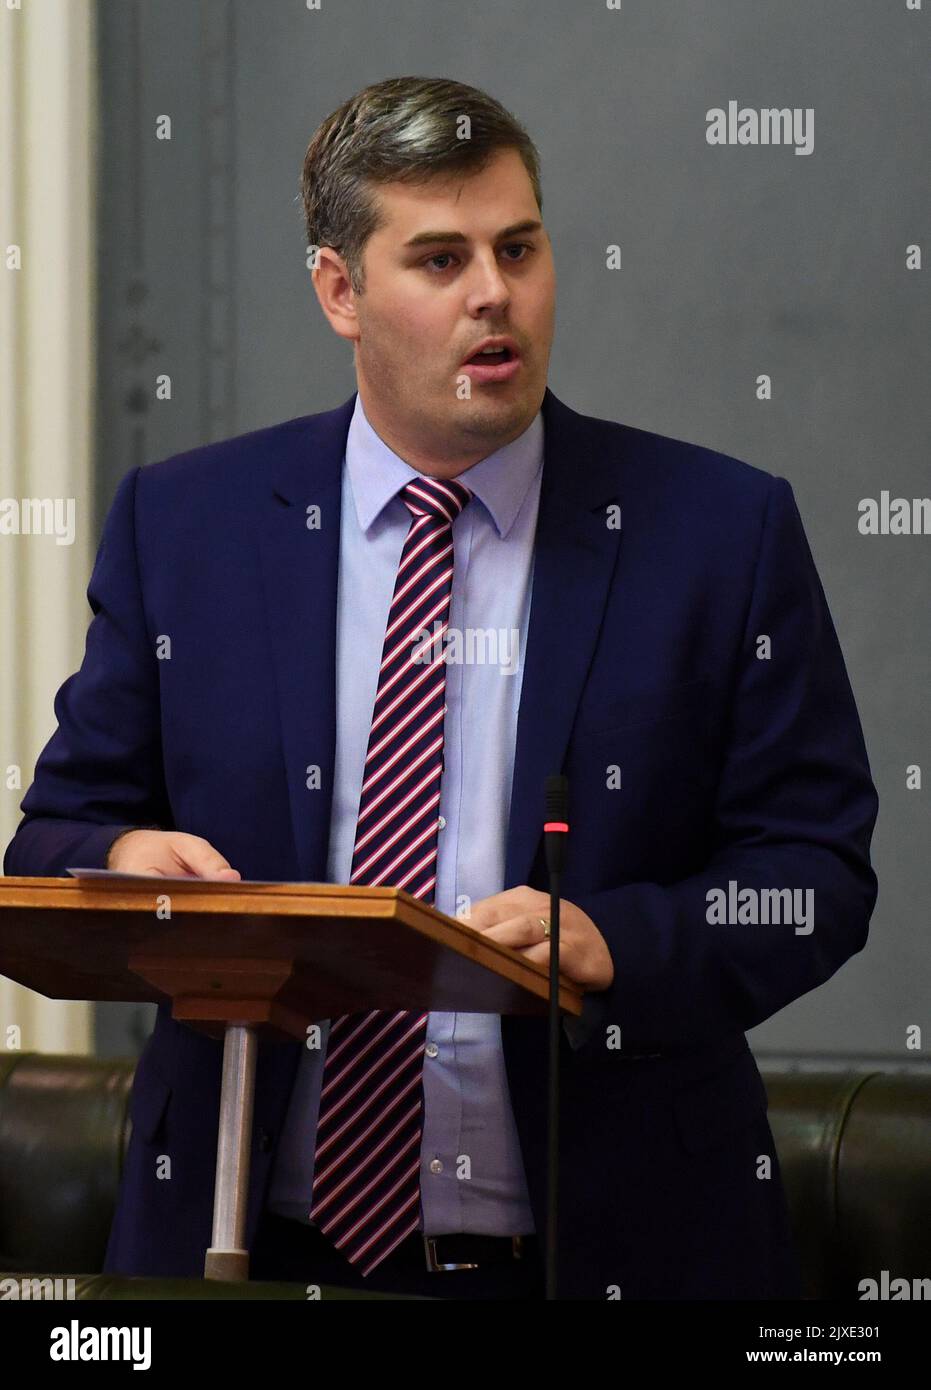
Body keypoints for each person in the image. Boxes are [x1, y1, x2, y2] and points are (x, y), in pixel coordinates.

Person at [3, 76, 878, 1300]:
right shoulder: (189, 528)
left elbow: (816, 873)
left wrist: (620, 939)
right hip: (249, 1245)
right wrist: (127, 862)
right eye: (439, 258)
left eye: (518, 248)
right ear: (339, 292)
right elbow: (53, 840)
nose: (494, 295)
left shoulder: (714, 534)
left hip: (602, 1252)